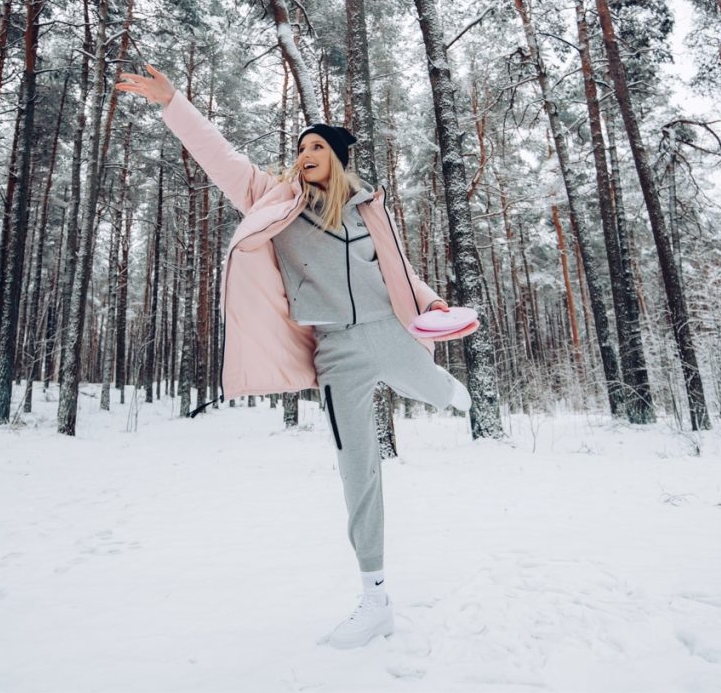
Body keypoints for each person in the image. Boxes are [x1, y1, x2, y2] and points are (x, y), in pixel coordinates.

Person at [116, 64, 472, 650]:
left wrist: (435, 304)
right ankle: (375, 597)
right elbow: (218, 154)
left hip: (391, 327)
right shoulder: (274, 200)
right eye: (300, 146)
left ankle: (446, 392)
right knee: (357, 468)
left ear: (335, 157)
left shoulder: (367, 208)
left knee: (424, 385)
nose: (304, 153)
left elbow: (398, 270)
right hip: (337, 350)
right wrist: (172, 101)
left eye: (315, 146)